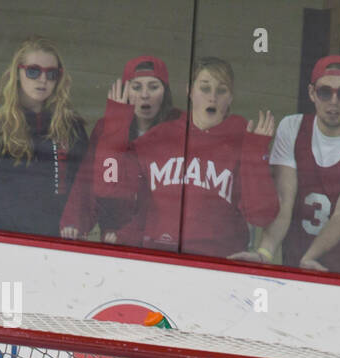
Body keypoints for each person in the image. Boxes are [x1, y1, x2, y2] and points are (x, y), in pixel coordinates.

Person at [99, 56, 278, 257]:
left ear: (231, 98)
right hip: (160, 256)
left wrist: (255, 154)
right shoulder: (159, 137)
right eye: (204, 88)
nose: (212, 98)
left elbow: (261, 215)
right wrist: (115, 124)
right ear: (189, 92)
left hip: (220, 262)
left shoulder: (243, 139)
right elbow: (109, 186)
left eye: (221, 90)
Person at [256, 54, 340, 275]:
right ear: (312, 93)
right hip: (296, 268)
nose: (334, 101)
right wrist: (265, 252)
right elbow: (284, 202)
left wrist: (309, 257)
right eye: (325, 92)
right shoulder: (292, 127)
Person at [0, 36, 87, 237]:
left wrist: (70, 225)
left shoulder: (71, 127)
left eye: (52, 73)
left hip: (52, 244)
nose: (43, 80)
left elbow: (84, 190)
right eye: (33, 71)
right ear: (18, 73)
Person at [58, 54, 183, 245]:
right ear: (125, 91)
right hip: (114, 240)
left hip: (160, 241)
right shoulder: (106, 126)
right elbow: (89, 181)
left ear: (165, 93)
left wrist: (128, 234)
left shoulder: (179, 129)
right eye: (136, 87)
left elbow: (168, 199)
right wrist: (75, 222)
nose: (144, 94)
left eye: (153, 86)